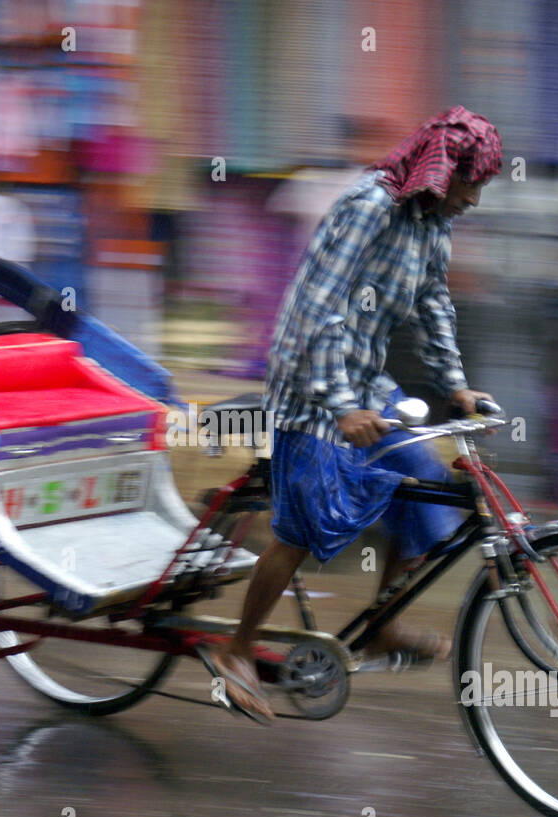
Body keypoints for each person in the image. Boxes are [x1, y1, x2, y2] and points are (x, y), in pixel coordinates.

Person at [208, 106, 503, 721]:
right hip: (310, 383)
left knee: (420, 485)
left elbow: (432, 303)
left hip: (366, 379)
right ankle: (237, 651)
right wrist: (340, 406)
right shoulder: (369, 206)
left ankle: (381, 625)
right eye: (470, 182)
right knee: (303, 523)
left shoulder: (433, 221)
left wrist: (459, 386)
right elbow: (319, 308)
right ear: (442, 173)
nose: (475, 197)